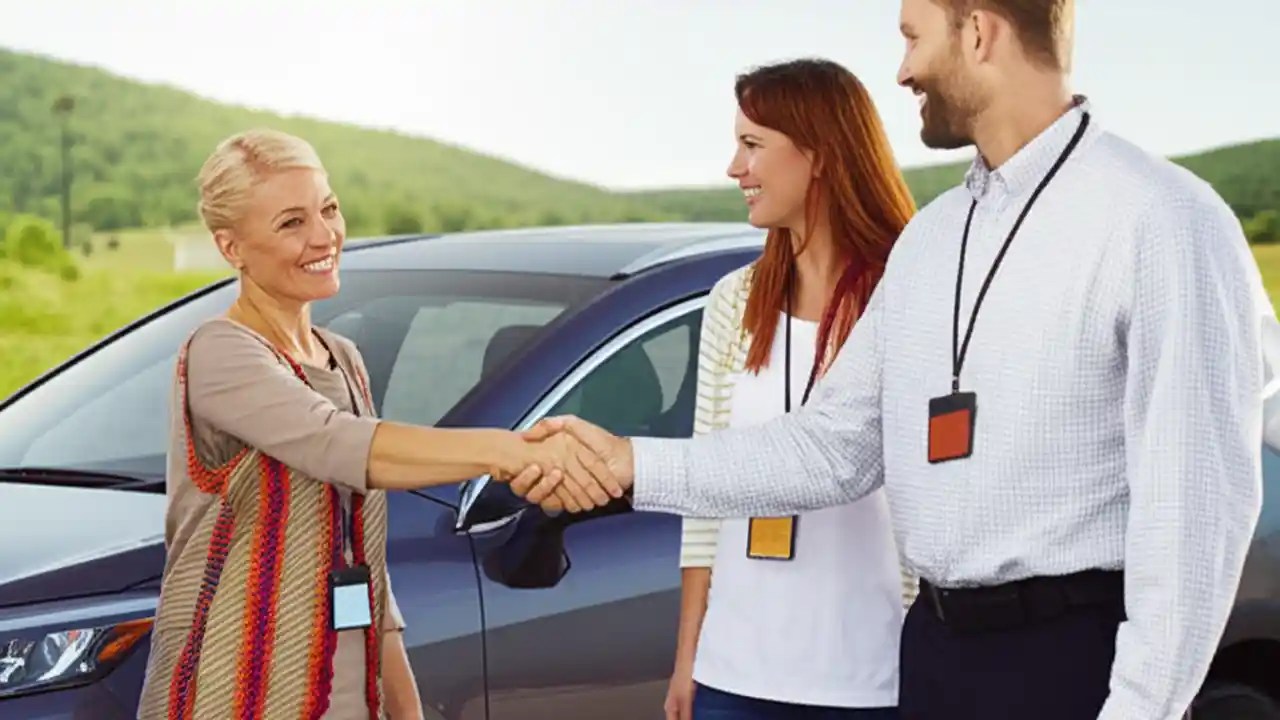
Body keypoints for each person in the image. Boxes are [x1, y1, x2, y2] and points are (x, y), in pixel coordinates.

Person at [517, 1, 1277, 718]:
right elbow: (834, 445)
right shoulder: (931, 240)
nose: (902, 71)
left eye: (914, 37)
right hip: (934, 656)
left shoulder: (1162, 220)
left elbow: (1194, 516)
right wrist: (629, 464)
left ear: (979, 32)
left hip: (1070, 659)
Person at [136, 128, 611, 720]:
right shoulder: (221, 353)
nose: (323, 235)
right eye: (291, 223)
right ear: (231, 247)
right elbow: (340, 444)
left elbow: (365, 569)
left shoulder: (344, 360)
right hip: (233, 696)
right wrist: (510, 452)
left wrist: (404, 710)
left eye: (328, 209)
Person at [663, 59, 916, 720]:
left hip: (873, 680)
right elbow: (705, 500)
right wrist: (688, 660)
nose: (733, 168)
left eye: (752, 145)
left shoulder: (907, 296)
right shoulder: (733, 302)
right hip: (733, 678)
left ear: (820, 155)